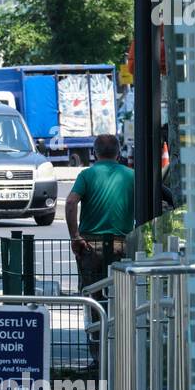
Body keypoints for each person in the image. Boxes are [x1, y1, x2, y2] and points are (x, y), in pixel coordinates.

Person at [66, 133, 134, 360]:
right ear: (119, 153)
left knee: (93, 299)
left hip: (90, 245)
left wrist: (75, 236)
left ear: (94, 153)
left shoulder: (86, 175)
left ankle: (98, 354)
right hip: (121, 245)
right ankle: (122, 352)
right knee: (122, 298)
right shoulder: (131, 175)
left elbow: (70, 202)